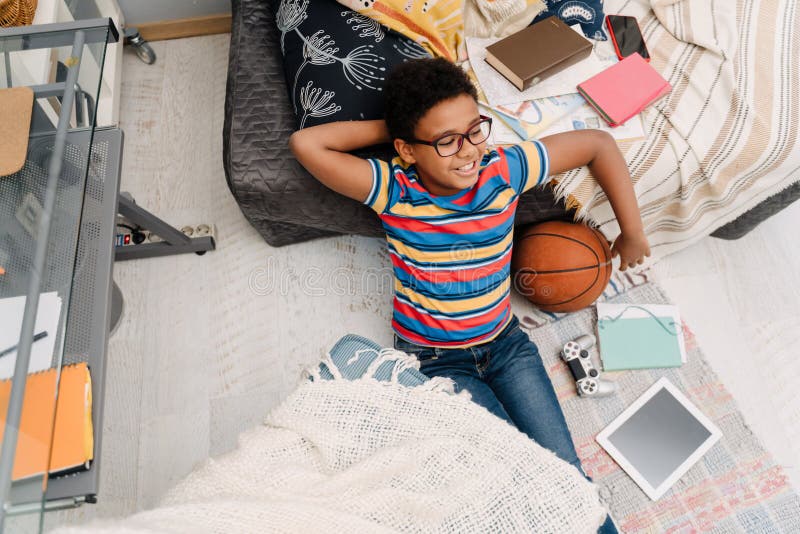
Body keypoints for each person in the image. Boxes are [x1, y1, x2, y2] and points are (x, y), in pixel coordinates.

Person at [290, 57, 650, 532]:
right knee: (512, 476)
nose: (467, 152)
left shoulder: (504, 169)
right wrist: (397, 127)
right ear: (406, 150)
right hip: (435, 360)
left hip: (506, 345)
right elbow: (306, 143)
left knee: (567, 477)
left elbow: (598, 144)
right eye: (445, 140)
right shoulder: (395, 191)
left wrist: (632, 232)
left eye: (474, 130)